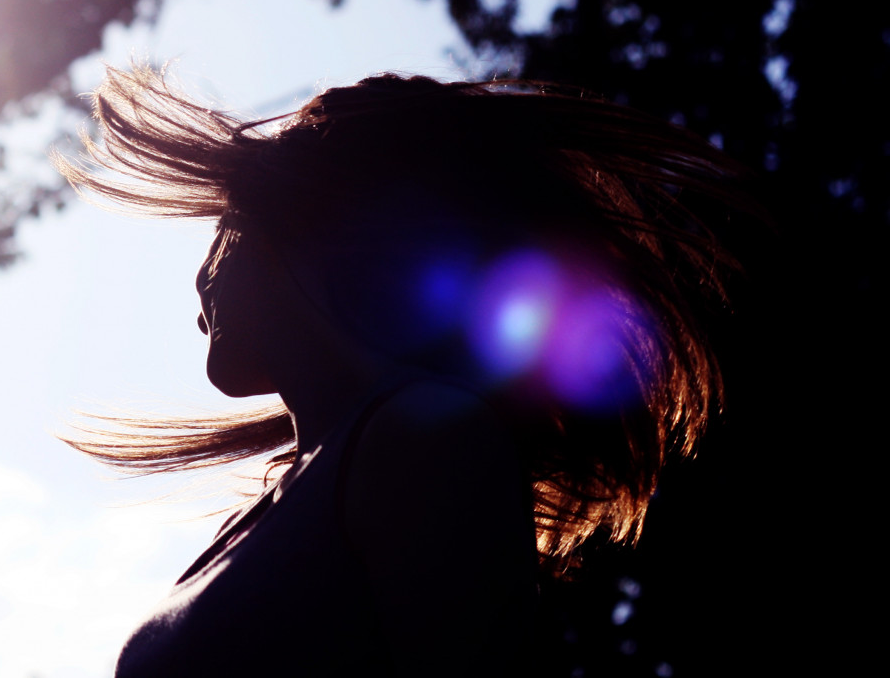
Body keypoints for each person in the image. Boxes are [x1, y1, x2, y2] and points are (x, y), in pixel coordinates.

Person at [55, 66, 752, 677]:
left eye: (228, 227)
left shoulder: (424, 443)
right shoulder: (284, 502)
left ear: (310, 232)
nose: (202, 277)